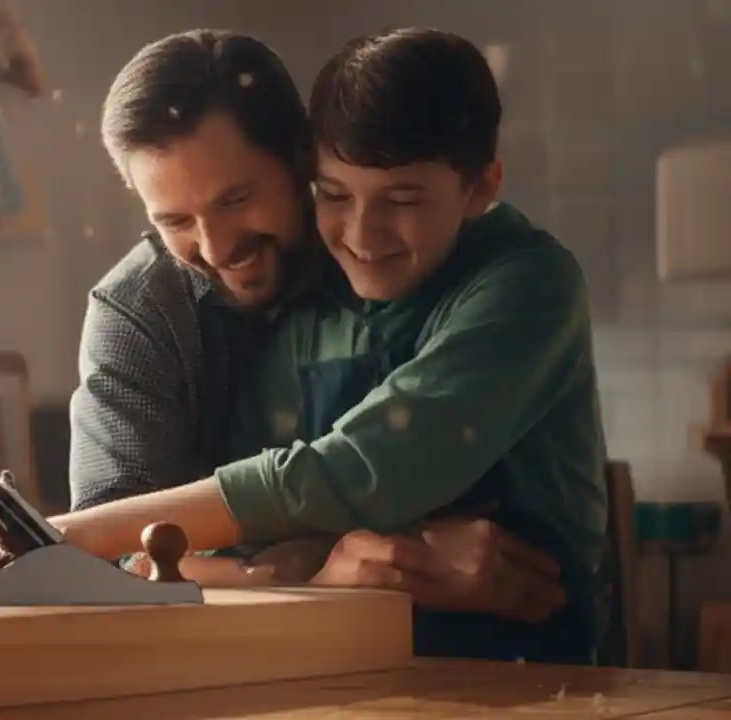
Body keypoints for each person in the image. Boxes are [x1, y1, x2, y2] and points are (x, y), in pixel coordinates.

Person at [58, 28, 608, 664]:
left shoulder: (511, 278)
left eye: (238, 198)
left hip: (528, 670)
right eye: (174, 220)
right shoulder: (152, 312)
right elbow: (126, 570)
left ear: (298, 165)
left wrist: (74, 536)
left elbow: (360, 469)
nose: (215, 248)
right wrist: (335, 568)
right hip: (304, 664)